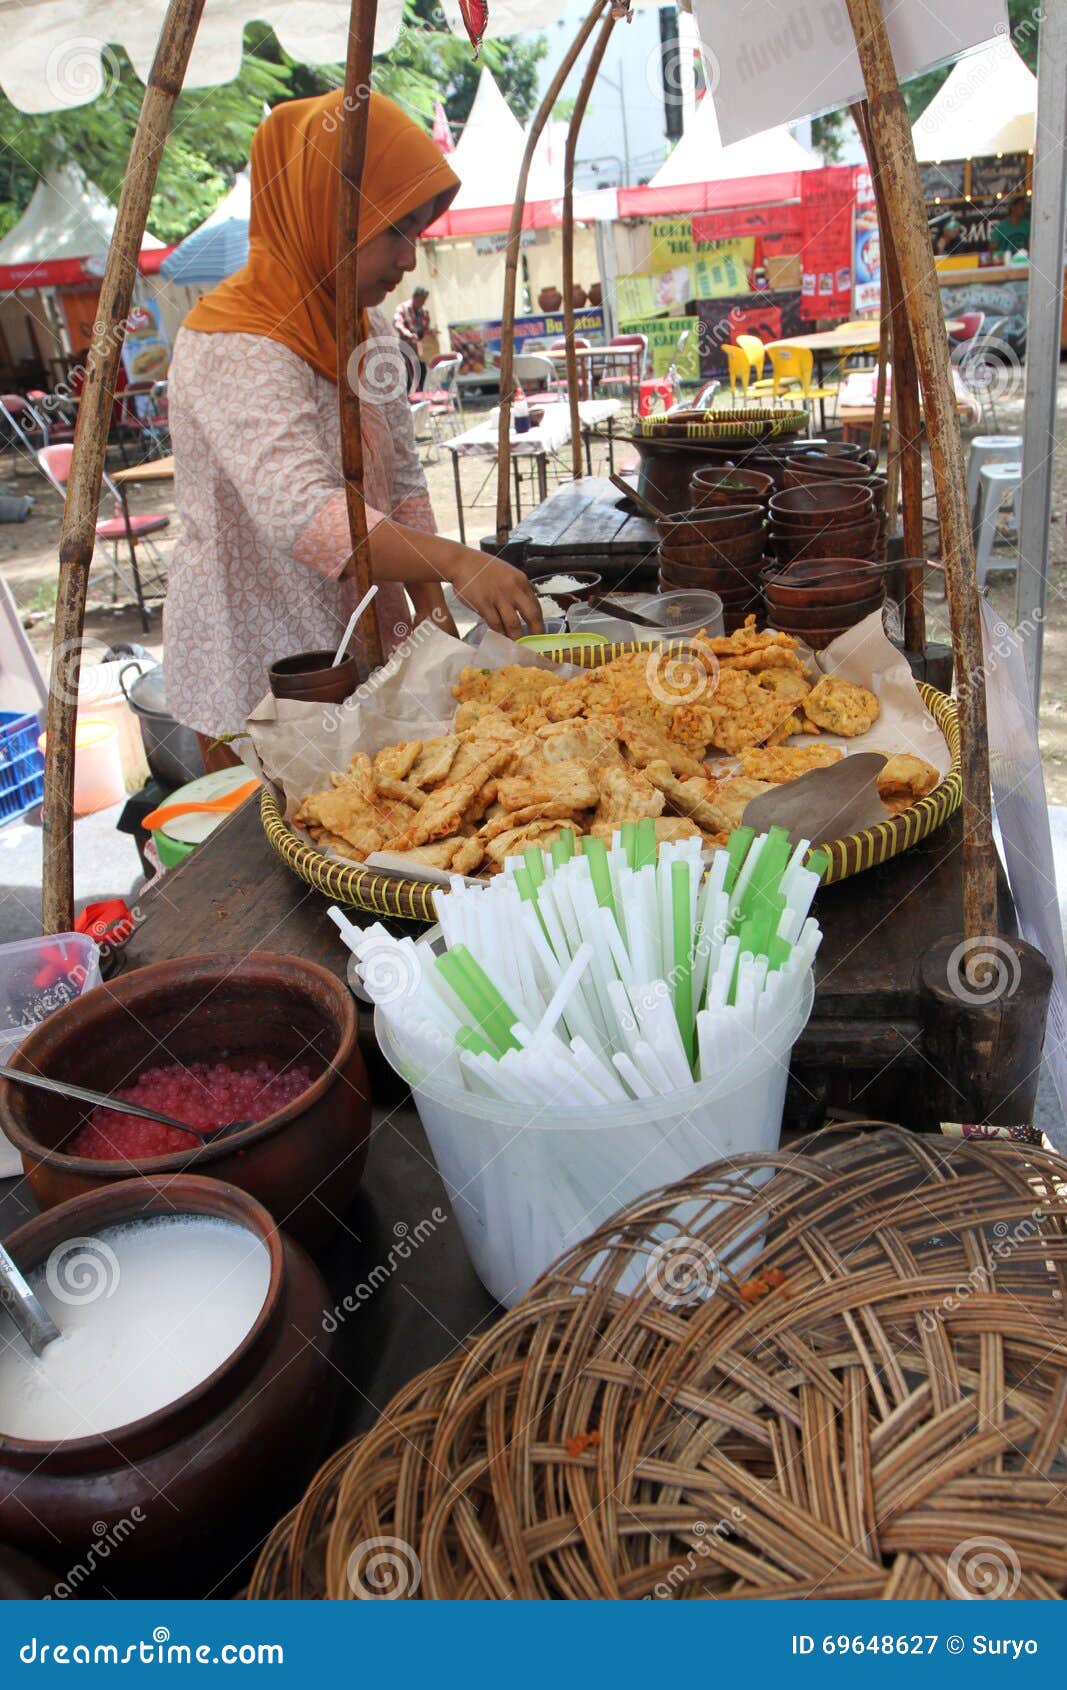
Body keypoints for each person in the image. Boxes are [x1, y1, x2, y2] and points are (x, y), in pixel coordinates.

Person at [166, 91, 541, 767]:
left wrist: (434, 618)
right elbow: (302, 513)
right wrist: (456, 562)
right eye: (395, 230)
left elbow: (398, 475)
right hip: (258, 661)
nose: (408, 262)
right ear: (323, 211)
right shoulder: (236, 338)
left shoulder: (362, 326)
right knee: (281, 844)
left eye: (417, 235)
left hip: (359, 629)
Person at [394, 285, 431, 391]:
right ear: (415, 297)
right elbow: (398, 323)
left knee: (422, 371)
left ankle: (420, 397)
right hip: (406, 346)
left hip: (420, 347)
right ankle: (406, 399)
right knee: (407, 374)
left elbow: (425, 328)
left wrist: (430, 331)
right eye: (421, 300)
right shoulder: (402, 308)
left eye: (424, 300)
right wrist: (407, 333)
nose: (423, 303)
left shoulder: (424, 311)